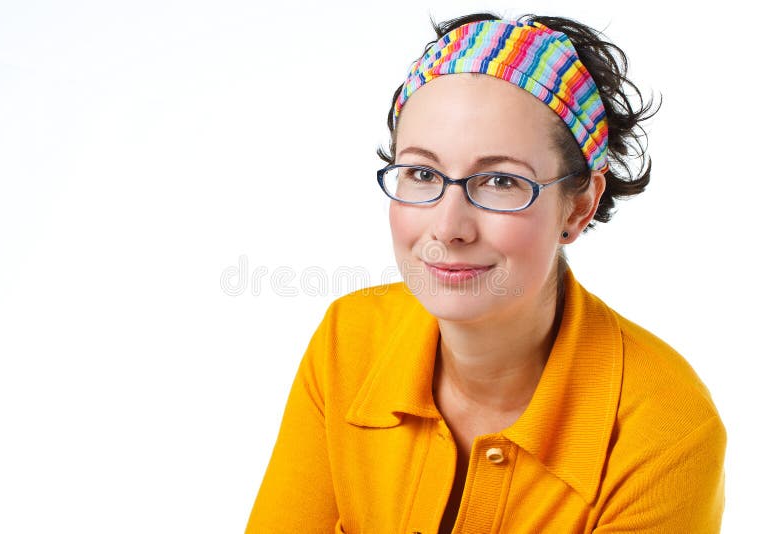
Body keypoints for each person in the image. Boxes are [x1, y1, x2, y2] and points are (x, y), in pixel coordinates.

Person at [246, 12, 726, 533]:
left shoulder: (666, 426)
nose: (449, 227)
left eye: (500, 181)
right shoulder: (348, 341)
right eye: (422, 173)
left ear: (579, 205)